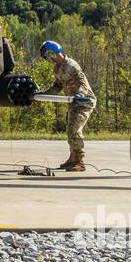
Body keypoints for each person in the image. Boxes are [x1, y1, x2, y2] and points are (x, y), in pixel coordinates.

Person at [39, 40, 97, 172]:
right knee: (70, 130)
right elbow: (57, 86)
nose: (47, 60)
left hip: (84, 102)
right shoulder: (57, 68)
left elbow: (82, 82)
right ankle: (72, 159)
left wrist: (80, 94)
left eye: (47, 56)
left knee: (74, 130)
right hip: (73, 102)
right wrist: (43, 94)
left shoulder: (71, 65)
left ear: (52, 53)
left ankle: (80, 162)